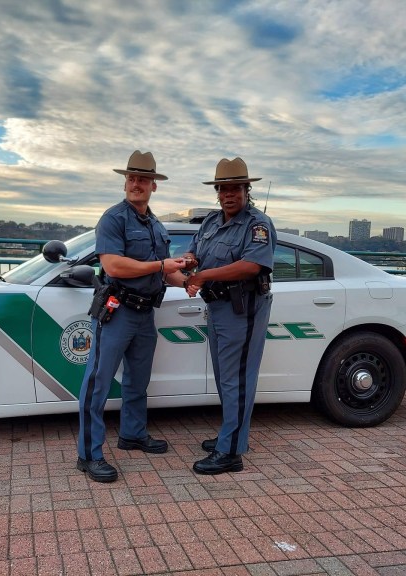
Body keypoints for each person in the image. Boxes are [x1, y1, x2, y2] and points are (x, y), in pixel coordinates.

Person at [76, 150, 187, 483]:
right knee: (97, 385)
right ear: (126, 182)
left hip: (144, 314)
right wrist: (161, 266)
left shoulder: (155, 224)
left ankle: (133, 434)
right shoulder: (114, 219)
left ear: (154, 185)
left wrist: (191, 281)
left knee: (138, 381)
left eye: (143, 179)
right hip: (117, 311)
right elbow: (113, 266)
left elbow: (167, 273)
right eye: (131, 178)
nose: (136, 184)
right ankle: (88, 455)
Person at [183, 157, 276, 475]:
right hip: (218, 307)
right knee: (226, 377)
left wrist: (205, 275)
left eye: (235, 188)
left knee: (237, 378)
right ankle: (232, 436)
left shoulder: (257, 223)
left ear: (246, 190)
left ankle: (230, 453)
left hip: (244, 308)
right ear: (217, 192)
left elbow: (252, 265)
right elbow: (196, 250)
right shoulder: (211, 222)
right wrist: (189, 260)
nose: (228, 194)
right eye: (223, 189)